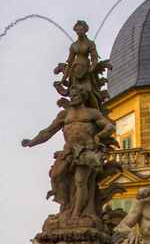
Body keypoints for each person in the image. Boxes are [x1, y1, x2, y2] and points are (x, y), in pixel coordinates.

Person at [23, 95, 118, 223]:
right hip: (69, 149)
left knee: (80, 181)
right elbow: (48, 132)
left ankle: (76, 213)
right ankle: (66, 205)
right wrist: (32, 142)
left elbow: (110, 127)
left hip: (86, 148)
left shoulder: (91, 113)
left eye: (76, 94)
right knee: (56, 176)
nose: (73, 97)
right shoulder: (64, 115)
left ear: (83, 96)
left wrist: (98, 137)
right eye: (72, 95)